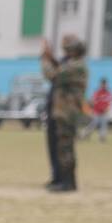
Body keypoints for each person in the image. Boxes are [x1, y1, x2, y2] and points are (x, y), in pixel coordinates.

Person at [40, 34, 87, 191]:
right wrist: (50, 57)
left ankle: (68, 182)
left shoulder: (77, 66)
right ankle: (60, 179)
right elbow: (59, 67)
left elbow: (53, 75)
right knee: (59, 146)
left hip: (68, 112)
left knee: (65, 147)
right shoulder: (73, 64)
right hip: (61, 111)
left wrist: (45, 59)